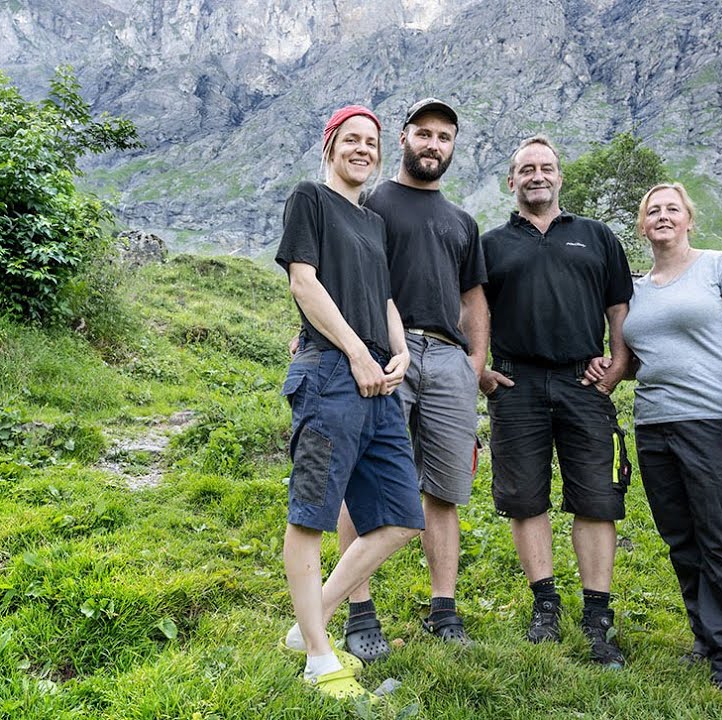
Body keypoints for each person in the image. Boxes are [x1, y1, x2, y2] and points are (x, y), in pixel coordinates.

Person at [275, 104, 425, 702]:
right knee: (311, 513)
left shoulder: (373, 222)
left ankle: (306, 621)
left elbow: (383, 296)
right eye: (352, 139)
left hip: (379, 380)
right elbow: (304, 283)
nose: (363, 149)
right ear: (330, 143)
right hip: (331, 374)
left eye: (372, 141)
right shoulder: (309, 199)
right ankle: (318, 654)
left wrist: (398, 353)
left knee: (400, 519)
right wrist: (357, 353)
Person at [332, 97, 489, 660]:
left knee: (444, 491)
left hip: (449, 362)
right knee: (361, 480)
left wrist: (474, 364)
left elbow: (474, 299)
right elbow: (337, 275)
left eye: (443, 137)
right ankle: (358, 607)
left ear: (452, 148)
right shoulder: (370, 203)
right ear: (402, 138)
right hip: (381, 357)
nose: (432, 144)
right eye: (423, 133)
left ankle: (443, 608)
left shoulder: (461, 222)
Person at [477, 135, 635, 667]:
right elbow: (472, 308)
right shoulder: (492, 243)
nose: (536, 176)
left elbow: (619, 308)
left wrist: (619, 361)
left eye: (546, 167)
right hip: (516, 384)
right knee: (525, 497)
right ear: (512, 181)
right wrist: (480, 366)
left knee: (596, 496)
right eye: (526, 169)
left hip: (583, 382)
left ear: (560, 176)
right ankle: (545, 605)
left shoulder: (597, 237)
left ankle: (598, 617)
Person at [618, 182, 722, 690]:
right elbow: (639, 360)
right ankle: (707, 638)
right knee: (682, 539)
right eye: (652, 210)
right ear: (642, 226)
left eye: (671, 209)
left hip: (716, 421)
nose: (662, 216)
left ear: (688, 220)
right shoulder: (635, 290)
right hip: (655, 427)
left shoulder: (719, 265)